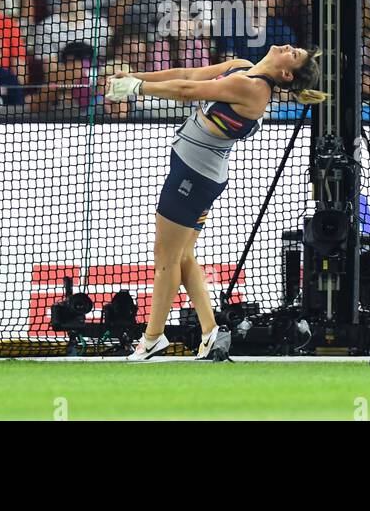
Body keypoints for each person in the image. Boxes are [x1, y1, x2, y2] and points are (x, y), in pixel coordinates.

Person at [105, 45, 326, 361]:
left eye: (293, 54)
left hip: (193, 177)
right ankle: (210, 332)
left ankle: (152, 337)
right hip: (199, 173)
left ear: (286, 74)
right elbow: (187, 73)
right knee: (182, 256)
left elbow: (186, 91)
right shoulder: (242, 67)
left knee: (166, 257)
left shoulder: (251, 87)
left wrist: (137, 89)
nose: (288, 47)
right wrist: (134, 76)